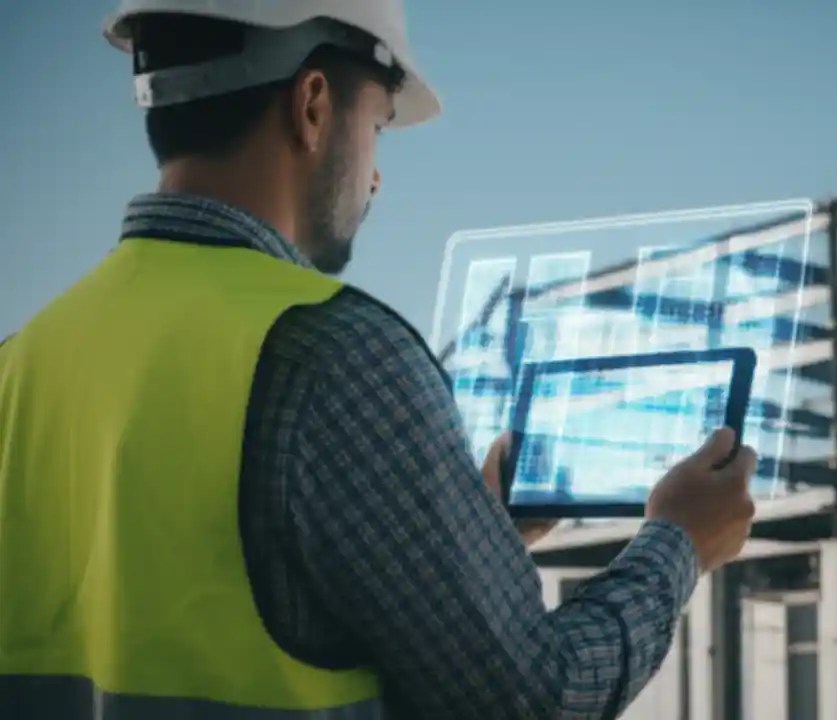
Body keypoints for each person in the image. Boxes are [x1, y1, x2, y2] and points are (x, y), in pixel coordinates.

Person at [0, 1, 758, 718]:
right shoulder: (332, 353)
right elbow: (533, 699)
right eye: (377, 127)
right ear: (313, 106)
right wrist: (679, 543)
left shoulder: (23, 362)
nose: (375, 176)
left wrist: (464, 540)